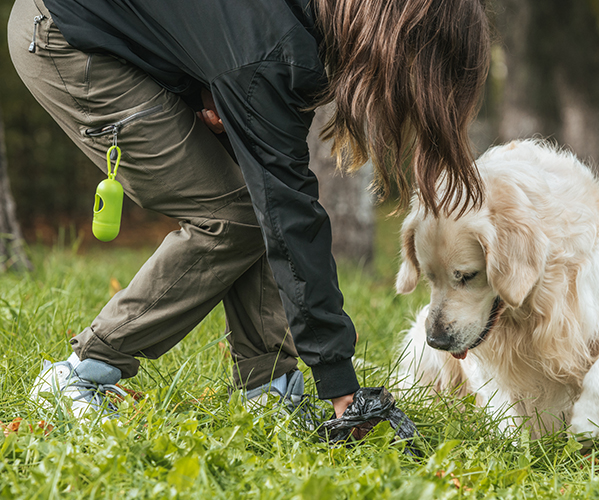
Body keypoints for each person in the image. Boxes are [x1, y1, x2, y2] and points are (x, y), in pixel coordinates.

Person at [8, 0, 490, 420]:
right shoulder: (275, 50)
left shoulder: (303, 28)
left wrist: (202, 81)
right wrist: (340, 383)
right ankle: (80, 374)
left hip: (110, 36)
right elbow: (289, 211)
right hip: (63, 36)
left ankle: (268, 389)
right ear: (397, 39)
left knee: (253, 197)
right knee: (234, 214)